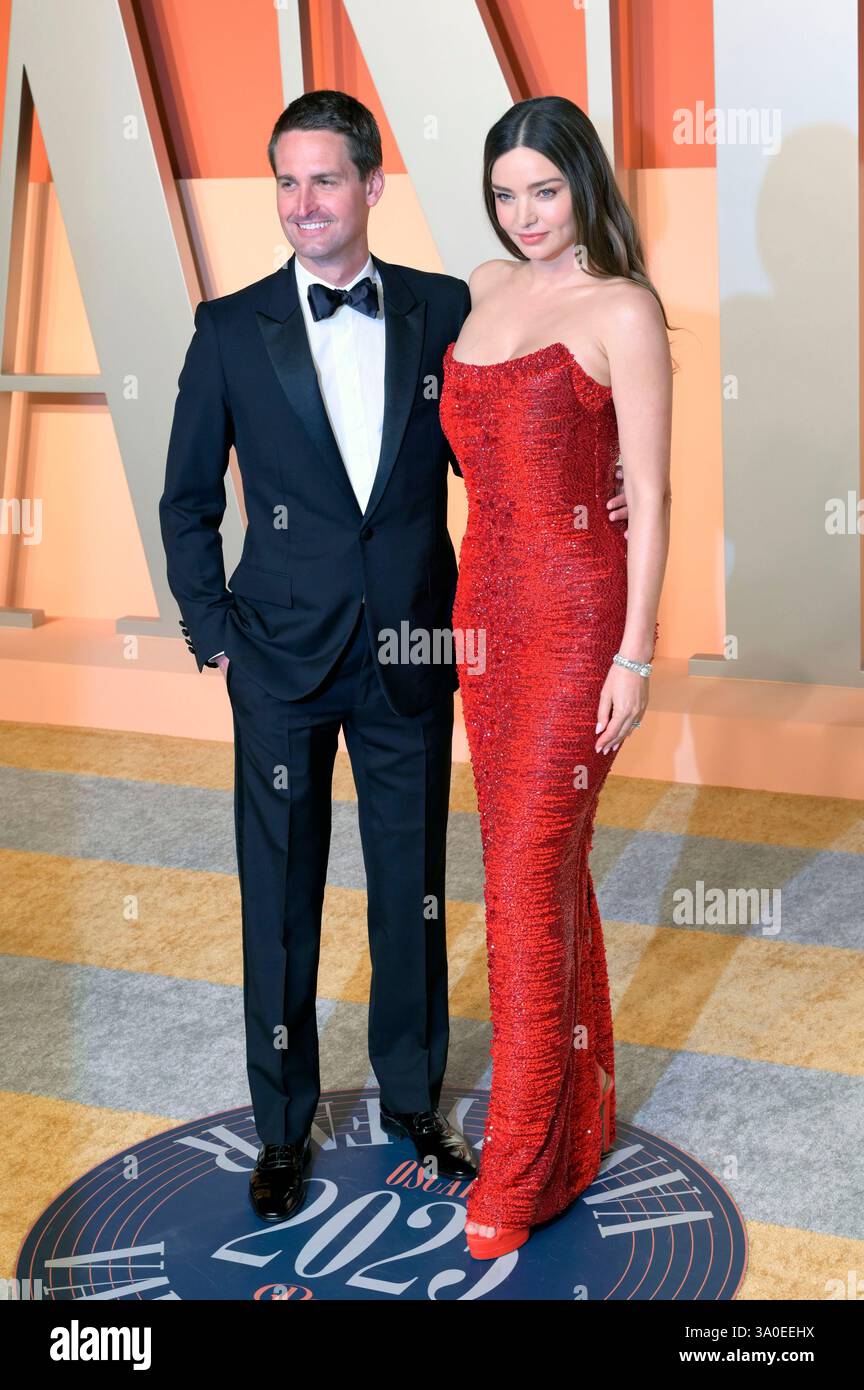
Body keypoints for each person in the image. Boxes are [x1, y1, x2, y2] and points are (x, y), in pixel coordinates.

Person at [159, 89, 631, 1225]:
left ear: (374, 187)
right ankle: (281, 1128)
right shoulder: (227, 327)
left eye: (327, 178)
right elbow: (184, 500)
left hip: (418, 651)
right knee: (279, 899)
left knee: (412, 895)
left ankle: (416, 1102)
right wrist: (213, 635)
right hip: (276, 659)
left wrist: (599, 483)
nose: (304, 203)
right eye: (287, 181)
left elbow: (503, 449)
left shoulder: (442, 309)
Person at [439, 95, 671, 1260]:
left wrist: (636, 649)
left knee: (526, 891)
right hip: (483, 619)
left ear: (583, 184)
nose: (525, 214)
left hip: (580, 622)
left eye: (544, 188)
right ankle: (576, 1125)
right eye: (505, 191)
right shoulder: (479, 289)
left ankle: (516, 1170)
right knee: (535, 872)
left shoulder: (621, 307)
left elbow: (653, 495)